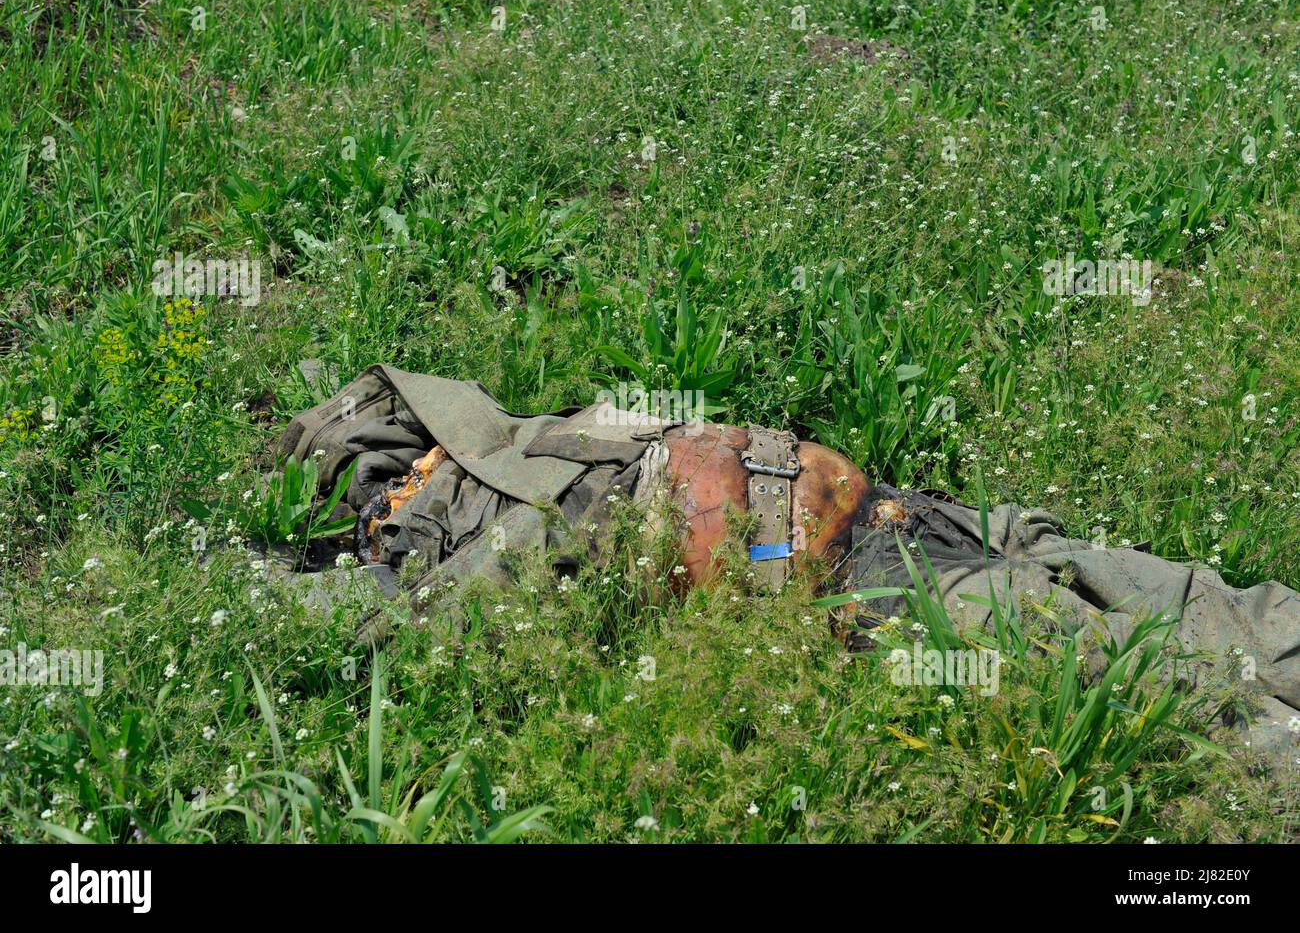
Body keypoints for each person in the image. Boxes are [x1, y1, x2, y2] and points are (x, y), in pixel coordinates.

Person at [280, 365, 1300, 756]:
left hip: (917, 515)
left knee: (1212, 610)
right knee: (1163, 691)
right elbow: (318, 621)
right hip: (882, 596)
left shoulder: (513, 432)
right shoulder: (437, 574)